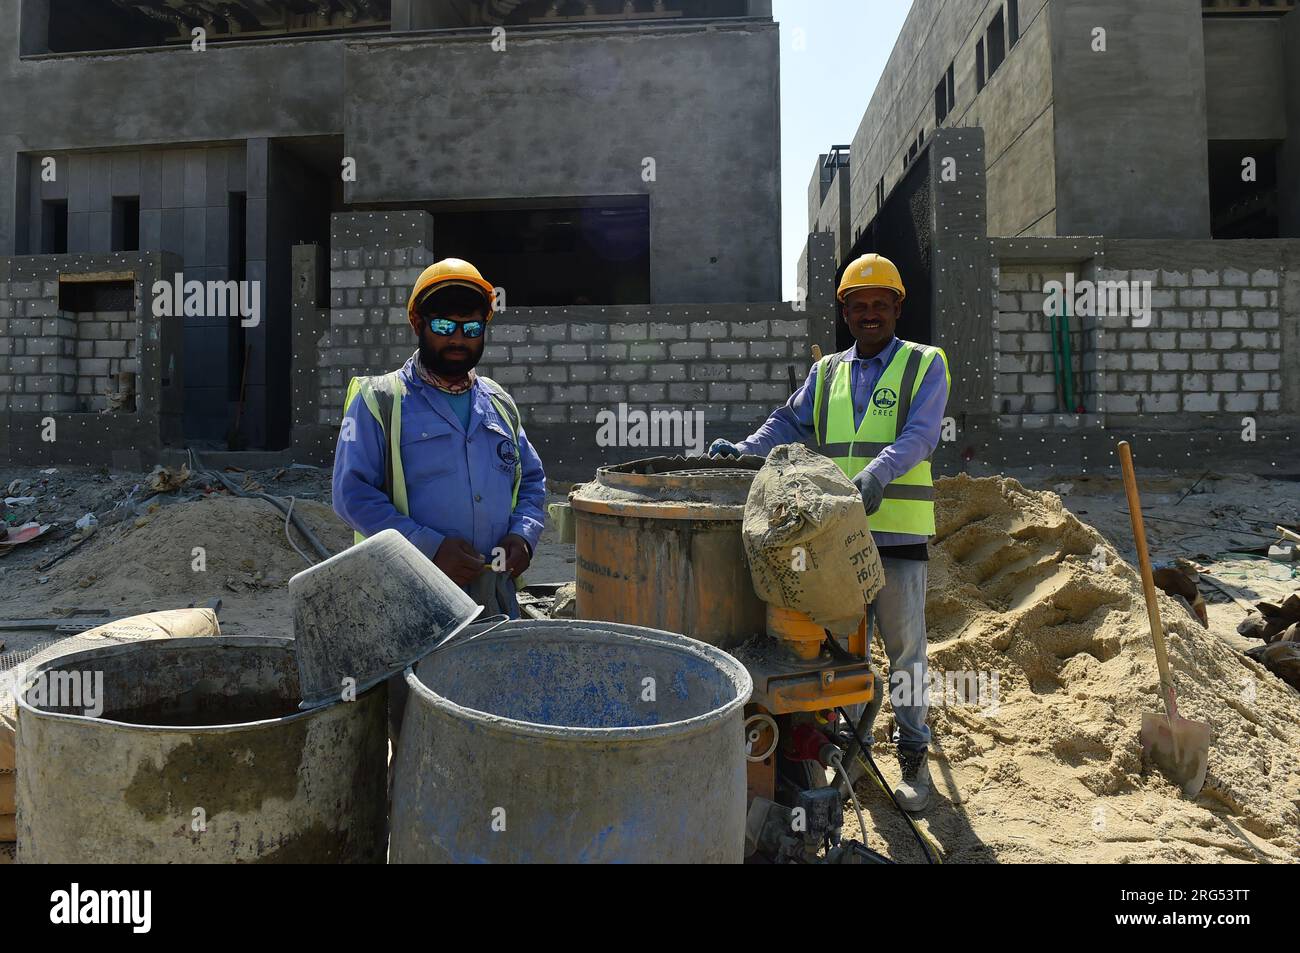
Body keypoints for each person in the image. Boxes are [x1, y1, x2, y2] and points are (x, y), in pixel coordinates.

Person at [710, 253, 950, 812]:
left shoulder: (923, 364)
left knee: (907, 654)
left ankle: (914, 757)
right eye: (858, 305)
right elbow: (787, 422)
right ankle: (844, 754)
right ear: (845, 312)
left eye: (880, 305)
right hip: (833, 544)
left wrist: (877, 475)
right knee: (833, 659)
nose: (870, 314)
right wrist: (743, 450)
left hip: (896, 541)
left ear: (897, 308)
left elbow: (921, 434)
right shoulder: (828, 373)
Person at [332, 257, 546, 620]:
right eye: (444, 325)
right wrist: (428, 549)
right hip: (409, 597)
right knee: (418, 679)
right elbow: (352, 495)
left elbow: (531, 481)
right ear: (418, 323)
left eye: (472, 328)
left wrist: (523, 535)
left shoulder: (499, 404)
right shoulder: (380, 401)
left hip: (494, 598)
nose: (458, 339)